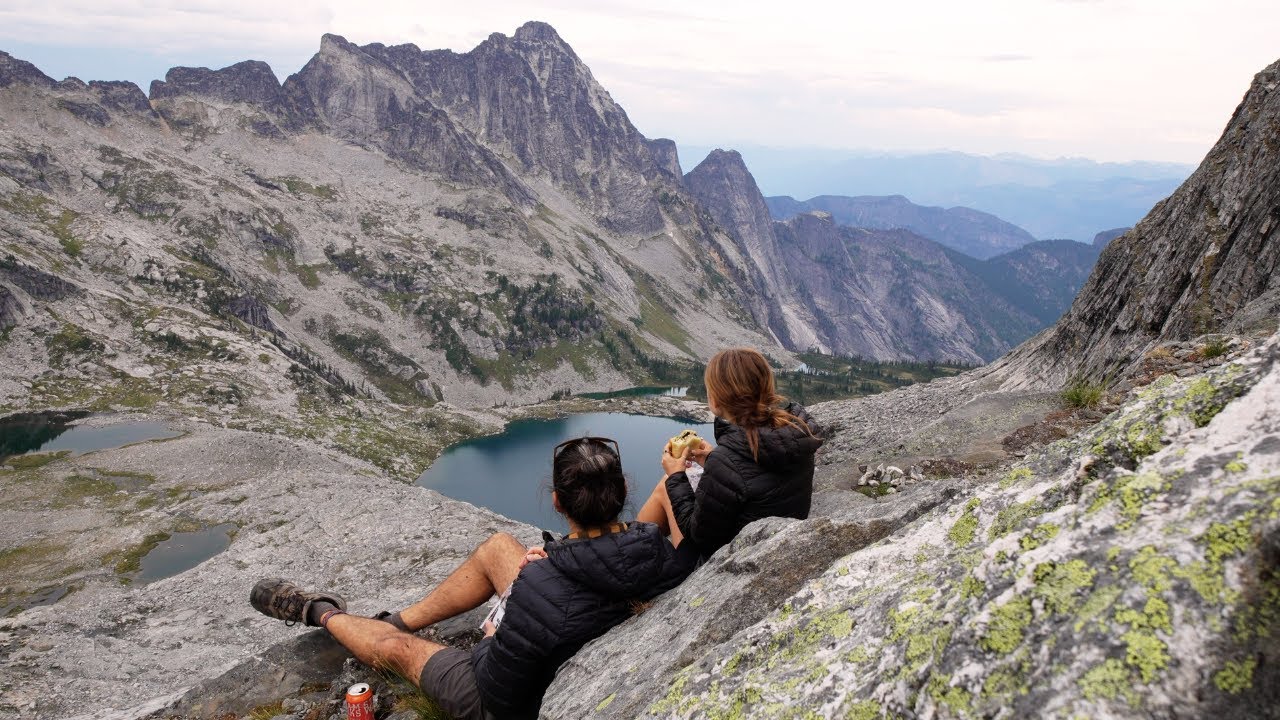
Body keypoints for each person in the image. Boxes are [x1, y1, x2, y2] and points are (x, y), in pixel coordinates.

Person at [250, 437, 693, 720]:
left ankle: (321, 612)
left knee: (399, 651)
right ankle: (397, 620)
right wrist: (553, 559)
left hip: (500, 701)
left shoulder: (538, 585)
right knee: (500, 546)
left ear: (558, 502)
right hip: (570, 609)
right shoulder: (665, 552)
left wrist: (495, 631)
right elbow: (610, 561)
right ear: (622, 493)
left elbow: (493, 679)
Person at [636, 347, 822, 559]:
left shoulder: (726, 461)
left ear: (715, 400)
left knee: (665, 486)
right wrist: (711, 458)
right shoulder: (795, 431)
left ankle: (629, 555)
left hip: (729, 559)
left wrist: (676, 476)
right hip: (778, 542)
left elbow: (698, 537)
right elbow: (756, 475)